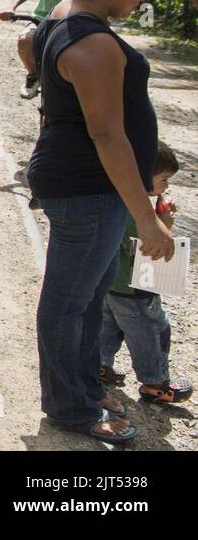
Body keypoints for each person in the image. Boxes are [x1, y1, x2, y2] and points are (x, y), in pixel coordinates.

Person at [27, 0, 174, 444]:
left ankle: (83, 387)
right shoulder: (93, 43)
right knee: (69, 301)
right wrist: (146, 220)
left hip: (85, 186)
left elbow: (27, 44)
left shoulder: (66, 18)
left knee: (87, 298)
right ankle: (69, 406)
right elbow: (109, 137)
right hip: (89, 190)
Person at [98, 142, 191, 405]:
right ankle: (156, 383)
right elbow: (150, 247)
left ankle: (99, 366)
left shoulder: (117, 199)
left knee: (108, 326)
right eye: (163, 180)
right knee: (151, 331)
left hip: (111, 283)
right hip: (136, 288)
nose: (166, 187)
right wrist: (166, 223)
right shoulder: (137, 213)